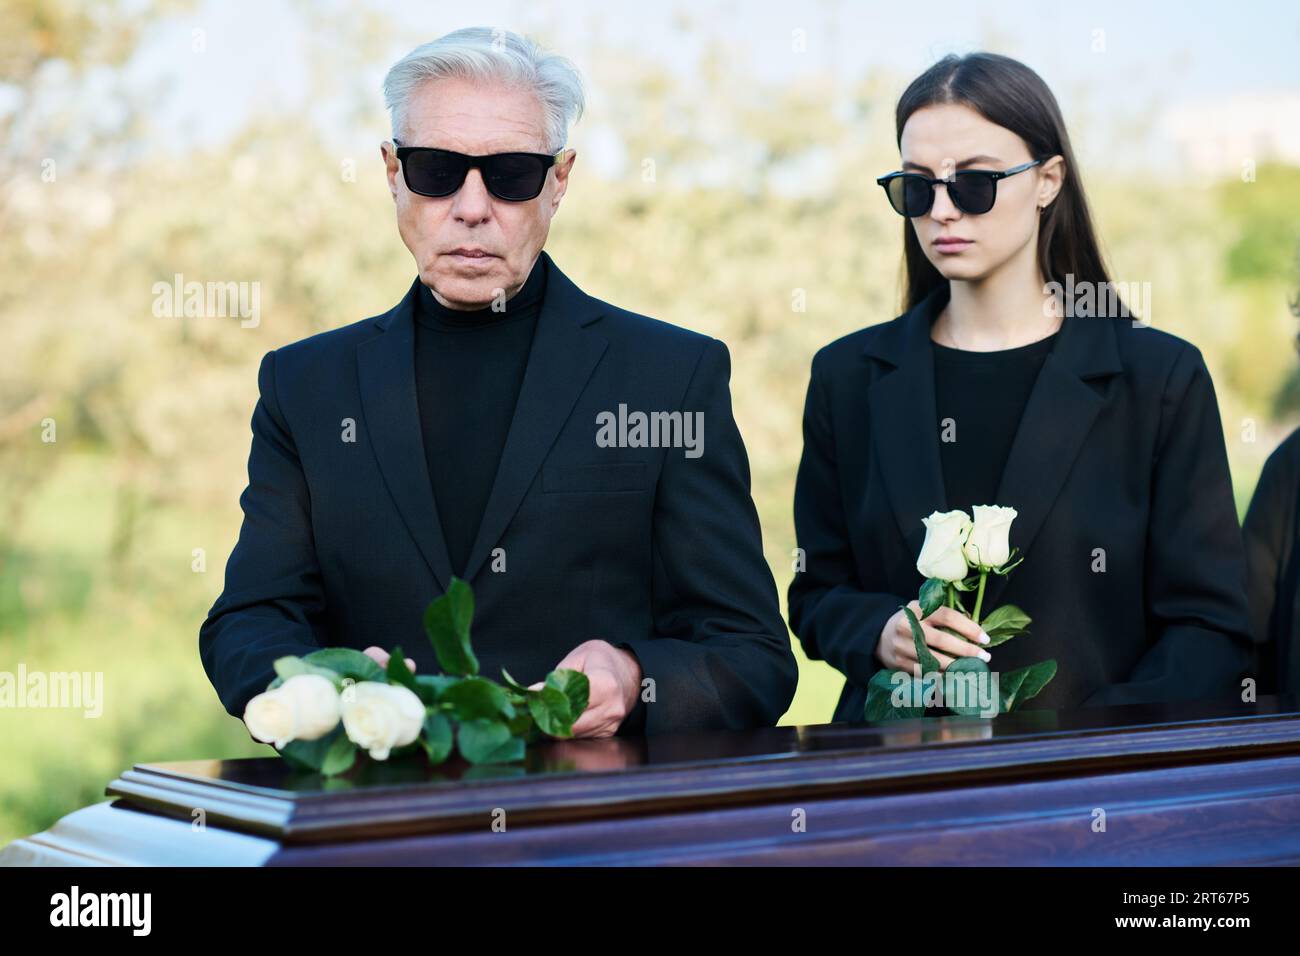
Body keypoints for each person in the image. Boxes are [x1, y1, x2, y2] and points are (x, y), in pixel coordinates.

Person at [200, 27, 796, 737]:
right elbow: (249, 622)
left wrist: (636, 677)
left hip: (591, 832)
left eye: (511, 174)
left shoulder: (670, 376)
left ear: (559, 180)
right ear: (392, 172)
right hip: (371, 825)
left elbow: (753, 657)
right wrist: (325, 685)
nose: (473, 206)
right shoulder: (304, 385)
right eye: (436, 169)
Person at [788, 52, 1251, 721]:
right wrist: (879, 632)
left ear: (1048, 180)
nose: (942, 210)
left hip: (1085, 799)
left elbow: (1210, 632)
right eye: (916, 187)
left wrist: (1081, 752)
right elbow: (816, 594)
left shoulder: (1158, 380)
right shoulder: (848, 377)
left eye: (974, 183)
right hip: (893, 790)